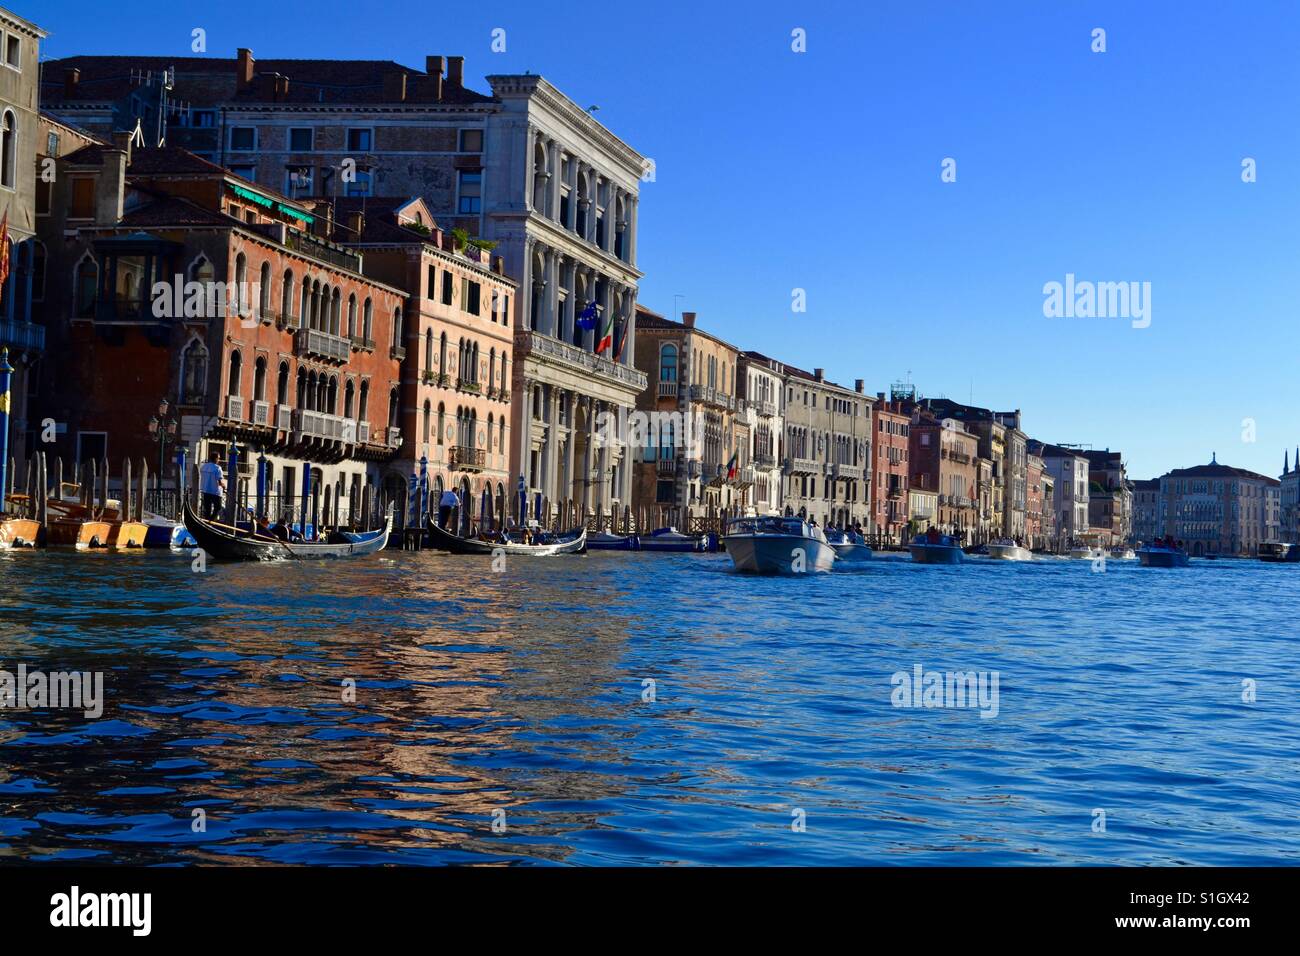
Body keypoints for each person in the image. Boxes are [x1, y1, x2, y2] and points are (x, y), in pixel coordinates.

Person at [199, 451, 226, 520]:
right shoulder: (217, 468)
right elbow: (219, 481)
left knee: (207, 509)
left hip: (206, 490)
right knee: (218, 507)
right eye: (219, 458)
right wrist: (224, 486)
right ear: (215, 458)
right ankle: (211, 520)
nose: (219, 460)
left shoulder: (203, 466)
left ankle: (208, 521)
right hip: (215, 492)